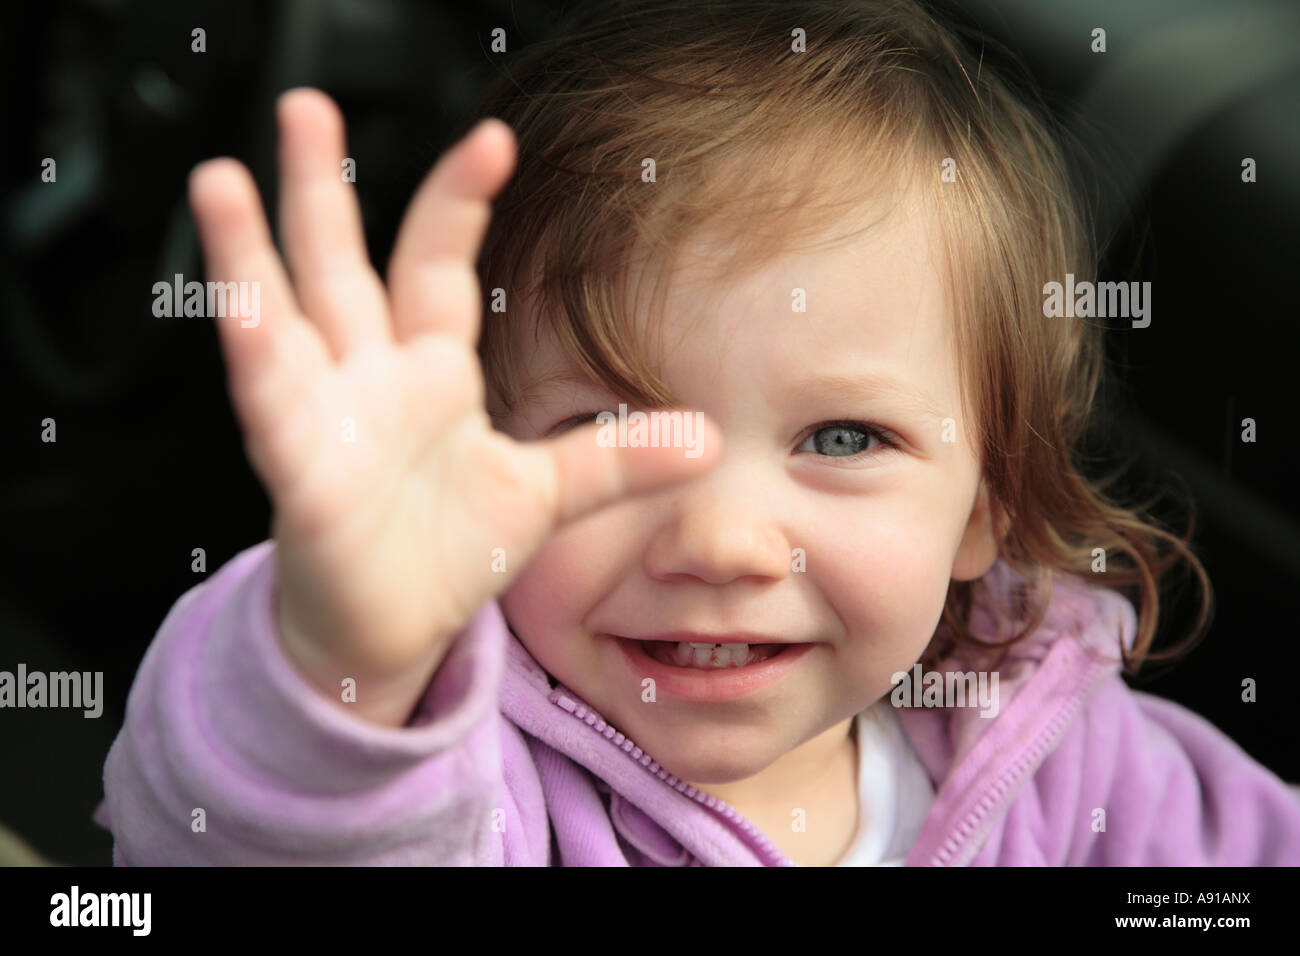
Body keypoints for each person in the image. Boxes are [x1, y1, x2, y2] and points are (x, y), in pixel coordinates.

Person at [96, 0, 1300, 865]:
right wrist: (339, 657)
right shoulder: (471, 789)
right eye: (615, 427)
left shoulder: (1072, 759)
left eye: (840, 438)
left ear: (987, 503)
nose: (722, 542)